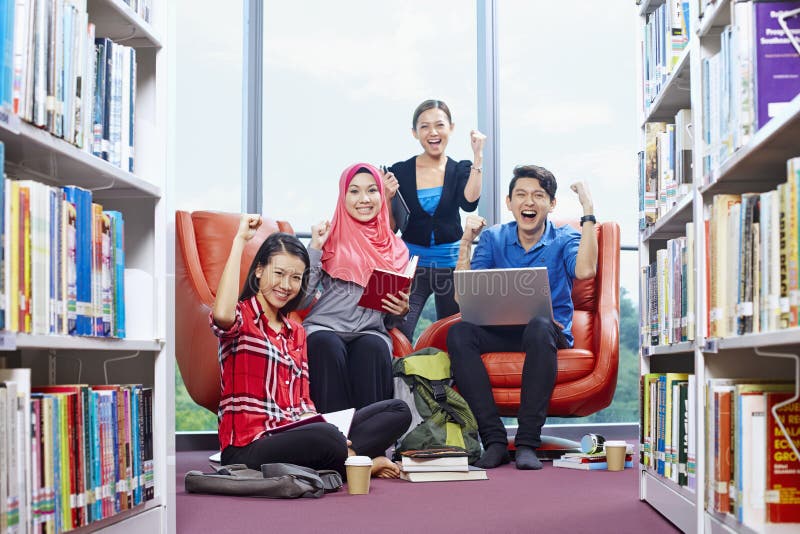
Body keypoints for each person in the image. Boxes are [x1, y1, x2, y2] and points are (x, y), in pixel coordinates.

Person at [211, 217, 411, 478]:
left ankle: (339, 456)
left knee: (397, 411)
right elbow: (222, 315)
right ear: (259, 270)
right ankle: (359, 463)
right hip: (249, 446)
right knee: (325, 437)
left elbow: (304, 403)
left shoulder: (297, 333)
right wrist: (239, 241)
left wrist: (330, 428)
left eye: (295, 278)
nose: (286, 286)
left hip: (297, 434)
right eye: (279, 274)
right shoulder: (242, 318)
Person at [447, 165, 598, 470]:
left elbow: (585, 271)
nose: (529, 202)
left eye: (538, 196)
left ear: (551, 204)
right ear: (509, 202)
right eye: (521, 195)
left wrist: (588, 211)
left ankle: (528, 441)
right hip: (500, 330)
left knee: (539, 325)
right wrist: (465, 242)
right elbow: (462, 298)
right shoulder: (493, 238)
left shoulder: (565, 236)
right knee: (459, 333)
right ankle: (495, 441)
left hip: (545, 333)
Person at [303, 163, 411, 414]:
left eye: (372, 190)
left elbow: (390, 320)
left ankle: (370, 445)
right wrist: (315, 249)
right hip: (324, 326)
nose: (364, 199)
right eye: (354, 191)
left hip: (370, 331)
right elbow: (300, 301)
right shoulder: (328, 236)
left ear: (381, 196)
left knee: (372, 351)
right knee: (325, 346)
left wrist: (401, 310)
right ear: (343, 196)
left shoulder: (396, 248)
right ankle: (335, 442)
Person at [383, 99, 486, 341]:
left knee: (452, 336)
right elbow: (391, 228)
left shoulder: (461, 168)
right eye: (425, 126)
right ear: (414, 132)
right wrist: (387, 198)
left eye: (439, 125)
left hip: (450, 267)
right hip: (411, 267)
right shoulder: (400, 171)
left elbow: (469, 202)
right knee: (399, 333)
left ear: (451, 128)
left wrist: (478, 157)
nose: (433, 132)